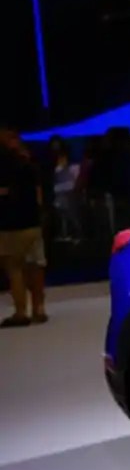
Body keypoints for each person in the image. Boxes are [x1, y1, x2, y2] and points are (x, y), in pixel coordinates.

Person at [0, 130, 48, 328]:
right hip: (32, 223)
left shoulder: (3, 166)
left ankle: (21, 312)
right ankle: (39, 309)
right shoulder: (29, 165)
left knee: (14, 267)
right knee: (36, 265)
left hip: (11, 225)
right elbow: (38, 195)